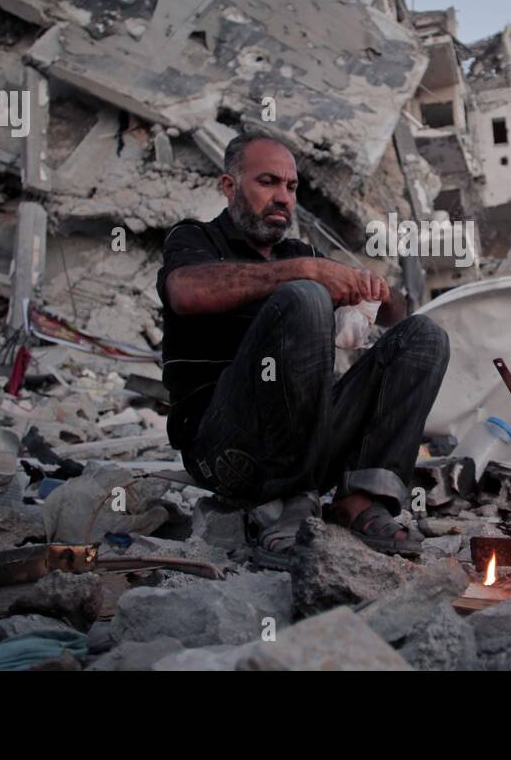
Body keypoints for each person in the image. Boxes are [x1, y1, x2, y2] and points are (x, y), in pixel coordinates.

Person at [156, 129, 450, 567]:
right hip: (224, 448)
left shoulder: (298, 252)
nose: (283, 198)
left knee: (425, 336)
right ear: (229, 186)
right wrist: (306, 273)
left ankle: (360, 501)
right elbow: (184, 292)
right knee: (305, 295)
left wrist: (374, 291)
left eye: (291, 187)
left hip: (306, 444)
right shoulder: (195, 239)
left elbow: (395, 317)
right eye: (268, 182)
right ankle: (283, 502)